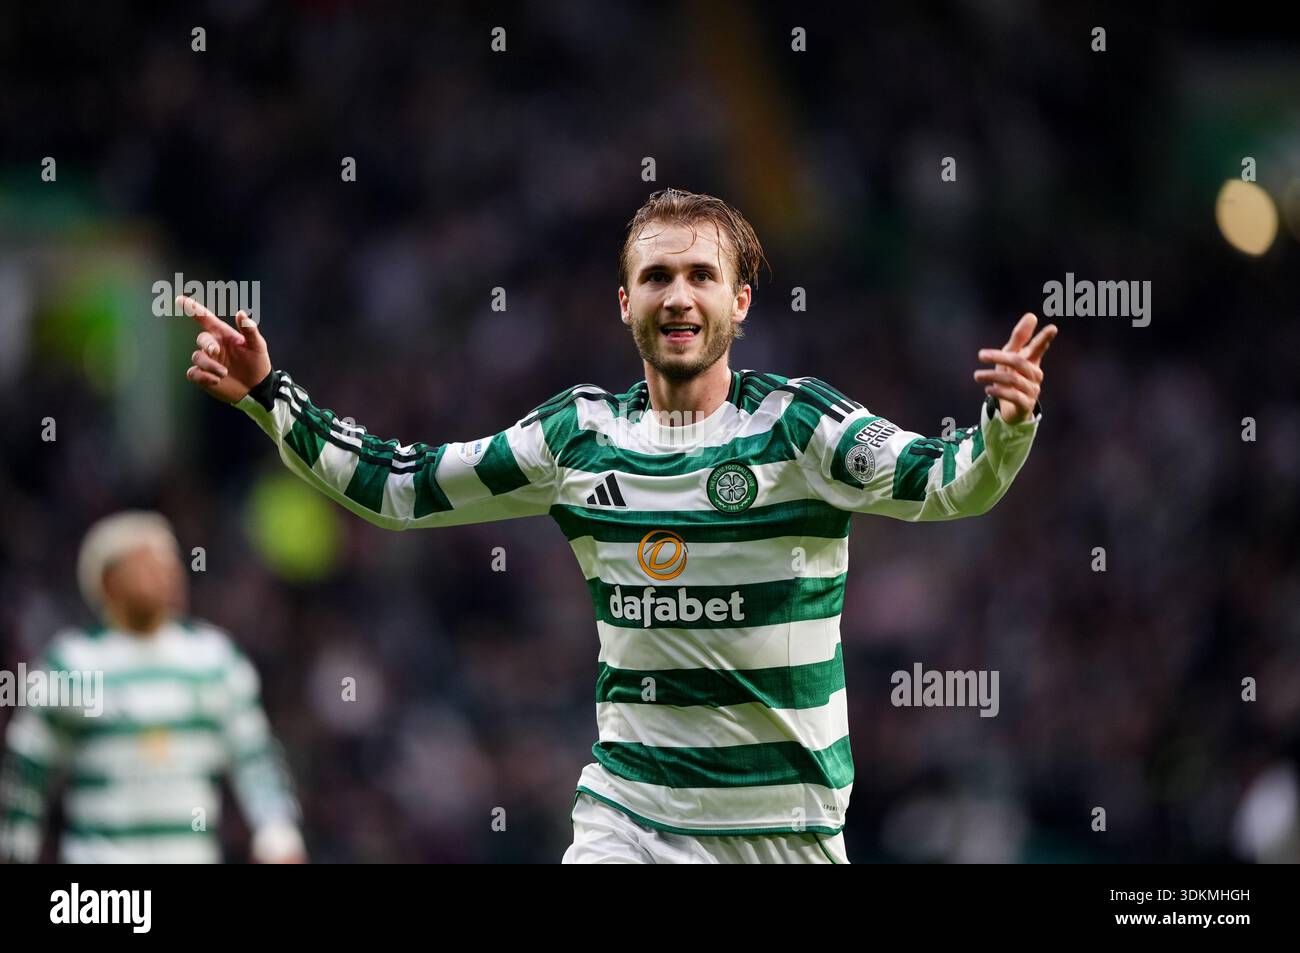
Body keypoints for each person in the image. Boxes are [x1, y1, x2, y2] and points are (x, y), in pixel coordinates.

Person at [181, 187, 1056, 863]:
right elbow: (401, 485)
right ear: (624, 301)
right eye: (657, 276)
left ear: (741, 302)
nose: (679, 296)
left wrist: (1005, 426)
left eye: (702, 275)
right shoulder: (577, 436)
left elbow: (946, 483)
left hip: (781, 828)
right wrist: (269, 395)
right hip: (629, 820)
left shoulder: (802, 426)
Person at [0, 511, 305, 863]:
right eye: (146, 559)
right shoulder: (70, 665)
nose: (165, 569)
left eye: (169, 558)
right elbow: (26, 775)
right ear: (107, 581)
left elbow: (256, 758)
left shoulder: (214, 660)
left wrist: (277, 832)